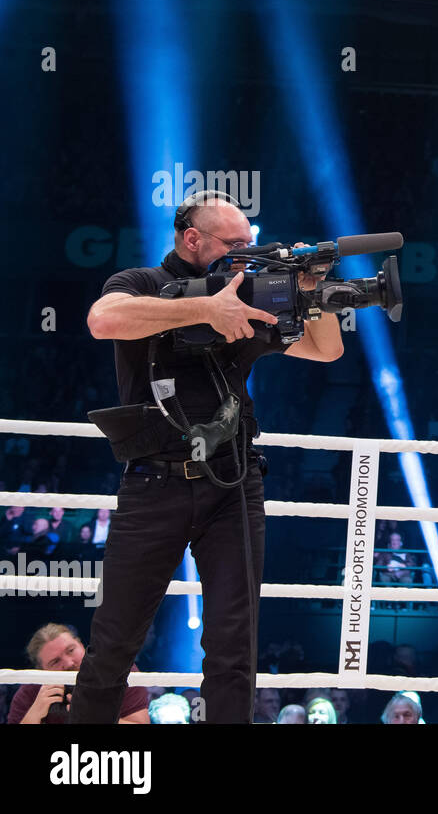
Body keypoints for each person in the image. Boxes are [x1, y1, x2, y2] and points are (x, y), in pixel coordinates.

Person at [73, 190, 345, 724]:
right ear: (192, 238)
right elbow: (102, 320)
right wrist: (205, 308)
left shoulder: (249, 292)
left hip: (233, 484)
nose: (247, 251)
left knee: (233, 648)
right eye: (235, 243)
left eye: (251, 242)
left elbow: (325, 348)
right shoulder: (141, 283)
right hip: (154, 482)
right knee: (115, 640)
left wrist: (311, 288)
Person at [8, 624, 149, 724]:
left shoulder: (117, 670)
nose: (68, 663)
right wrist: (35, 713)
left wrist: (99, 717)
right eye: (55, 661)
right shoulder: (30, 693)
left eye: (71, 650)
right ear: (43, 670)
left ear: (81, 645)